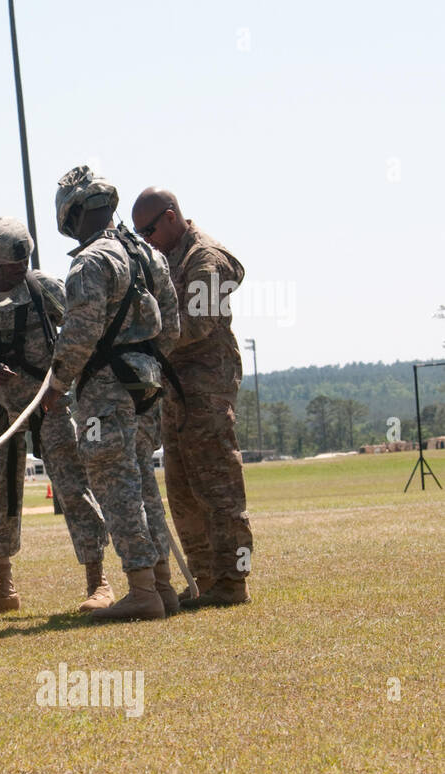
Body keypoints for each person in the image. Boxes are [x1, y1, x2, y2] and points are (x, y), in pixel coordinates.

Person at [0, 217, 112, 617]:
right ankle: (3, 589)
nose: (20, 268)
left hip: (50, 406)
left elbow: (83, 331)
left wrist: (64, 380)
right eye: (11, 263)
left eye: (24, 260)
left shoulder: (47, 289)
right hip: (2, 412)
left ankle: (98, 582)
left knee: (74, 489)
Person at [46, 167, 182, 621]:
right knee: (143, 483)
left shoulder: (90, 262)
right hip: (146, 384)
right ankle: (162, 586)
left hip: (105, 392)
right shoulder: (149, 256)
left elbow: (79, 335)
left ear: (74, 215)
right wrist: (142, 360)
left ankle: (142, 589)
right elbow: (171, 328)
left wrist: (57, 384)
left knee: (115, 485)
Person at [131, 187, 252, 607]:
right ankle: (203, 577)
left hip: (206, 388)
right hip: (175, 389)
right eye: (139, 234)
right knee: (182, 490)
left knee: (218, 486)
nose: (146, 240)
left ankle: (232, 580)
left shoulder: (205, 259)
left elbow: (197, 324)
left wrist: (143, 338)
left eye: (149, 231)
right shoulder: (166, 258)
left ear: (170, 217)